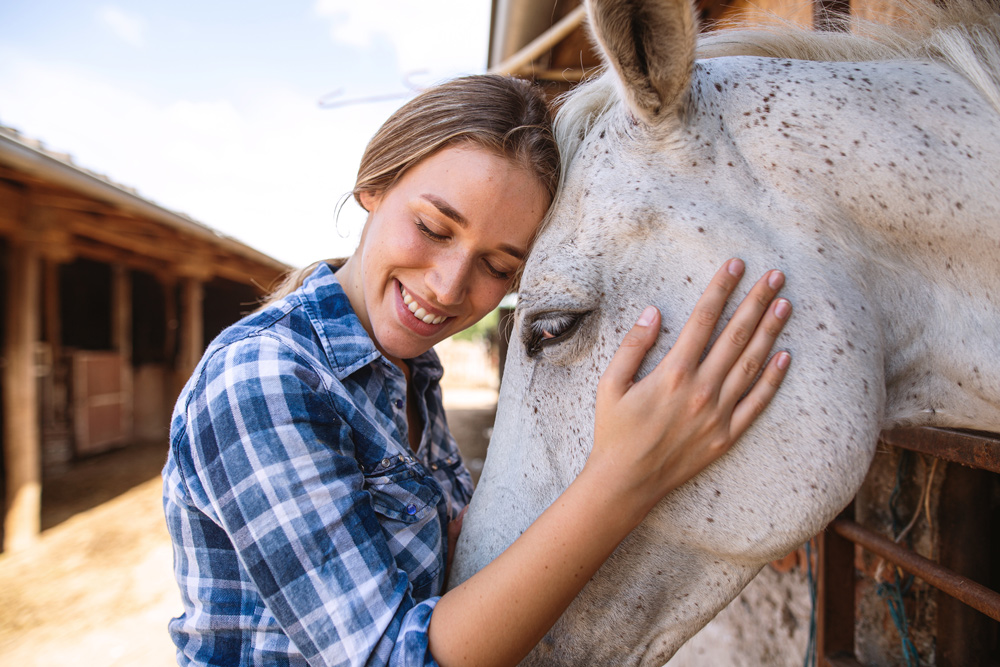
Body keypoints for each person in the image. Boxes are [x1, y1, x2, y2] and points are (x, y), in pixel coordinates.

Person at [162, 74, 793, 667]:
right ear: (372, 189)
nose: (447, 287)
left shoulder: (410, 370)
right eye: (433, 228)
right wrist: (622, 478)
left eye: (497, 267)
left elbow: (454, 565)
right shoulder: (263, 379)